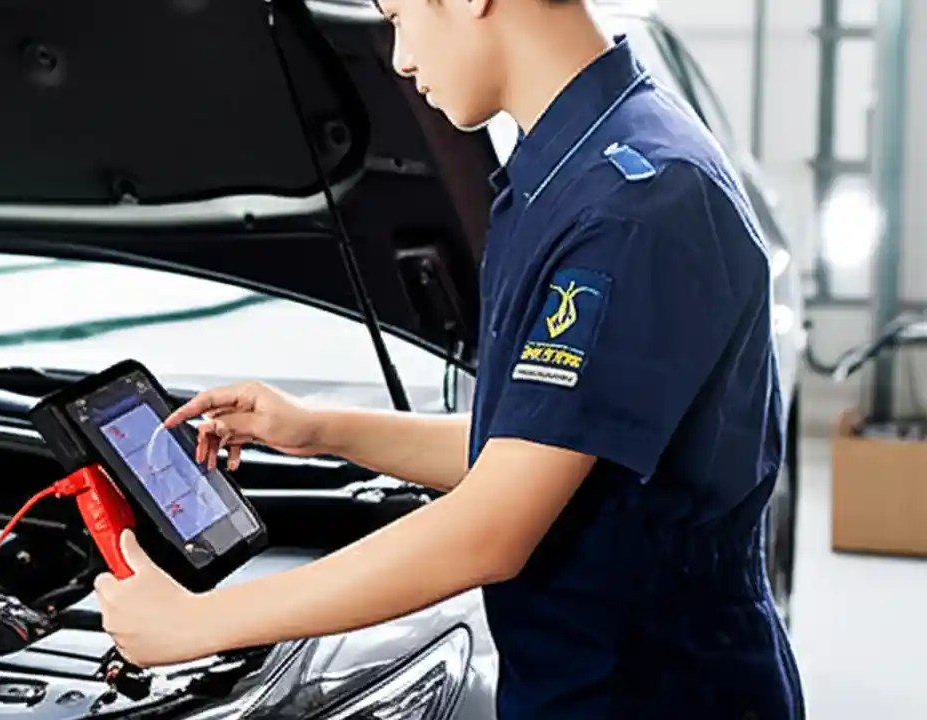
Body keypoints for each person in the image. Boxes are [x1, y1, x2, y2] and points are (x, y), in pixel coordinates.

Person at [92, 0, 805, 717]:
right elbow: (533, 449)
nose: (399, 58)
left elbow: (491, 528)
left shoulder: (634, 206)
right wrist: (321, 430)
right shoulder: (567, 173)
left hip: (657, 695)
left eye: (399, 14)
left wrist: (195, 623)